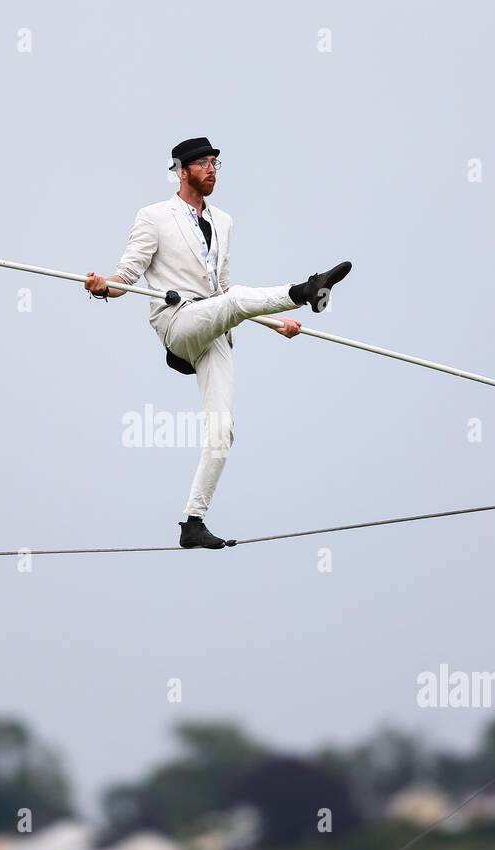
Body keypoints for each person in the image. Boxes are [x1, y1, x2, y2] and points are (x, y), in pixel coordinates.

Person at [85, 136, 351, 549]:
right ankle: (307, 289)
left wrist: (276, 324)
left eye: (215, 163)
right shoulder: (154, 216)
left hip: (216, 330)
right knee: (238, 297)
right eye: (204, 163)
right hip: (178, 322)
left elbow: (225, 293)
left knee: (223, 431)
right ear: (182, 169)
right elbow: (127, 276)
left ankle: (193, 523)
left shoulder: (224, 221)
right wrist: (103, 287)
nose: (212, 169)